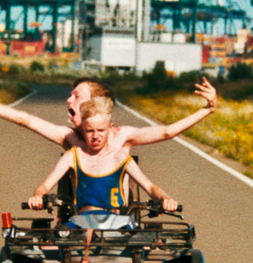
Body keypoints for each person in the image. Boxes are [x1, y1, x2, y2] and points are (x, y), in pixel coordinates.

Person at [0, 75, 217, 155]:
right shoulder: (68, 136)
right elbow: (25, 118)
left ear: (97, 105)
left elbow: (168, 131)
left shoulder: (123, 135)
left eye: (77, 96)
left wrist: (208, 109)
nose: (69, 99)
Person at [27, 96, 178, 229]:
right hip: (80, 223)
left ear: (110, 129)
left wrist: (165, 199)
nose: (95, 136)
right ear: (83, 131)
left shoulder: (121, 157)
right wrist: (38, 196)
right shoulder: (72, 156)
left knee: (149, 249)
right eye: (90, 131)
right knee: (47, 250)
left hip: (119, 224)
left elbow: (150, 187)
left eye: (101, 130)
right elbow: (45, 186)